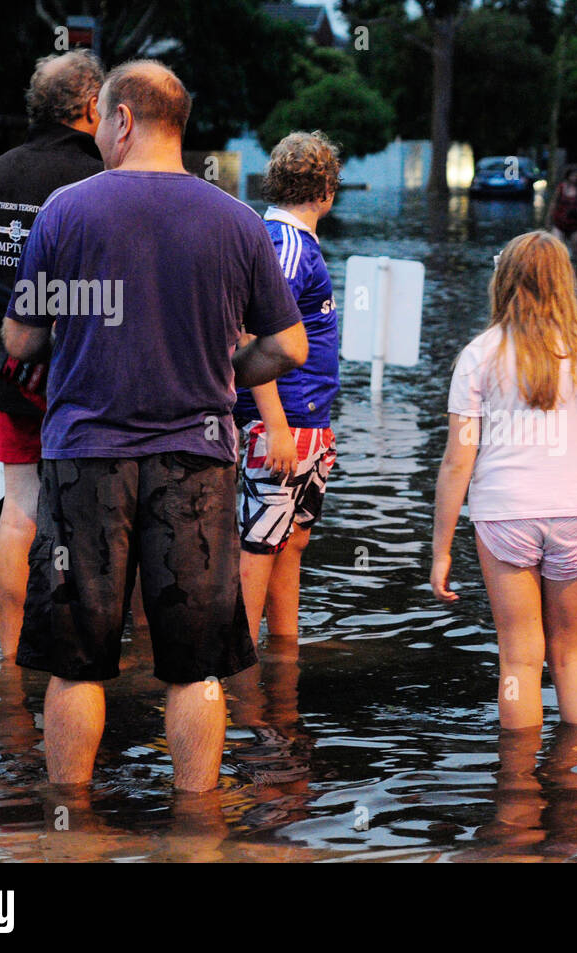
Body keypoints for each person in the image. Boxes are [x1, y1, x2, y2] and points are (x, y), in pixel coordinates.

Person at [1, 60, 309, 792]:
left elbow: (17, 339)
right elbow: (289, 347)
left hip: (86, 458)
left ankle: (70, 828)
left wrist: (64, 341)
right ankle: (196, 832)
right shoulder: (237, 221)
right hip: (197, 461)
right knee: (194, 665)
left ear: (124, 120)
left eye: (103, 122)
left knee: (77, 662)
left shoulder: (66, 213)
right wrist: (226, 366)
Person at [430, 231, 577, 731]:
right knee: (570, 653)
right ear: (565, 281)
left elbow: (458, 460)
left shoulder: (480, 354)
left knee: (519, 660)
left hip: (506, 515)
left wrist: (440, 549)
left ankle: (517, 794)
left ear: (504, 279)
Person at [0, 50, 105, 660]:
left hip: (14, 367)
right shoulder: (102, 174)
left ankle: (9, 654)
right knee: (100, 518)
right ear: (93, 106)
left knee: (18, 509)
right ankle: (98, 654)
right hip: (87, 372)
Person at [234, 131, 341, 648]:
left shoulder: (274, 235)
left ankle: (284, 651)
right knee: (259, 546)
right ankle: (239, 669)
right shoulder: (289, 246)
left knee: (290, 541)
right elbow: (254, 332)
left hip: (308, 422)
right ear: (326, 191)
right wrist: (274, 425)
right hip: (284, 422)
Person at [547, 165, 577, 261]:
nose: (574, 178)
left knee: (576, 248)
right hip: (560, 221)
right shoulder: (561, 187)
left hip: (576, 223)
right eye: (572, 175)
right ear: (568, 176)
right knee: (556, 245)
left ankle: (576, 269)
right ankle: (559, 266)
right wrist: (549, 218)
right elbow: (554, 202)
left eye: (576, 176)